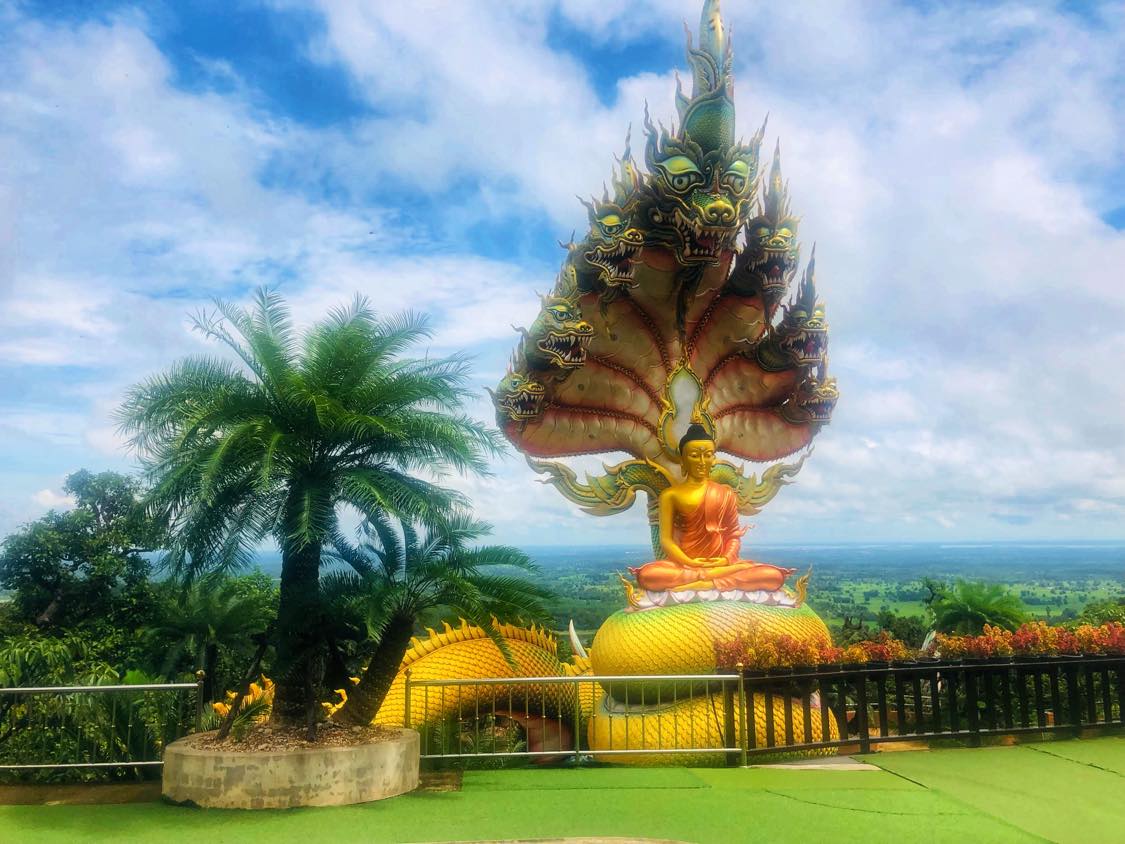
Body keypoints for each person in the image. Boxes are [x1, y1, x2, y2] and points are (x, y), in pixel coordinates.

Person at [629, 423, 795, 592]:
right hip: (686, 565)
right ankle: (714, 579)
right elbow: (666, 540)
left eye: (708, 455)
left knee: (773, 576)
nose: (702, 462)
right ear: (682, 459)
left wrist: (725, 560)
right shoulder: (670, 496)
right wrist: (689, 562)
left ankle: (706, 583)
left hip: (722, 564)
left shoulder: (726, 493)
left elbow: (733, 536)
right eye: (694, 455)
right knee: (648, 575)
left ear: (713, 459)